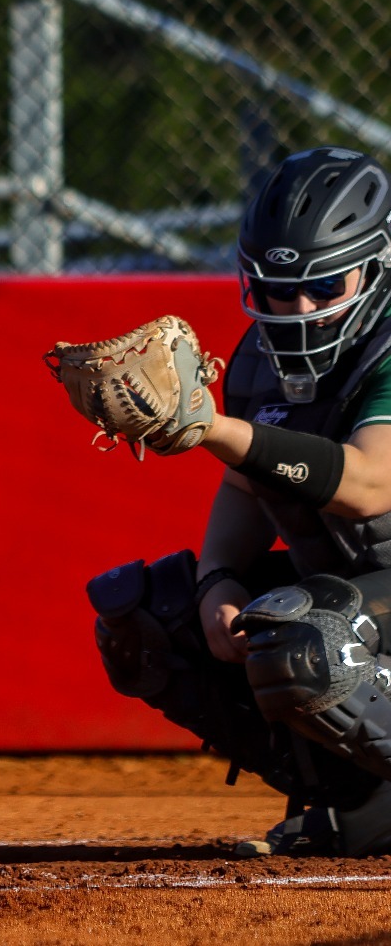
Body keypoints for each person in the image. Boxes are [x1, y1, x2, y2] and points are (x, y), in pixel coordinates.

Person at [88, 145, 391, 857]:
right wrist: (217, 581)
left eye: (324, 287)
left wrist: (213, 429)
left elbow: (370, 485)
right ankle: (359, 800)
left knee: (311, 635)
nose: (299, 310)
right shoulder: (260, 357)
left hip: (371, 591)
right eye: (280, 291)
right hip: (367, 589)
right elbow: (246, 485)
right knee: (150, 617)